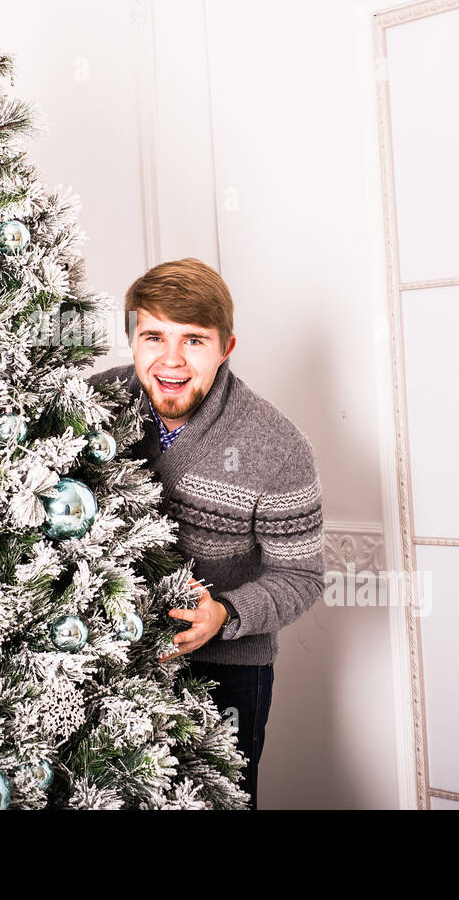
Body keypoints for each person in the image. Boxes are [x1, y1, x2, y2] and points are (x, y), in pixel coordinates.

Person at [86, 257, 324, 809]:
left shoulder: (276, 445)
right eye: (154, 337)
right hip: (101, 658)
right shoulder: (92, 407)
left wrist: (225, 614)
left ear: (226, 348)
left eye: (194, 341)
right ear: (131, 339)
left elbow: (302, 575)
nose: (171, 360)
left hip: (225, 673)